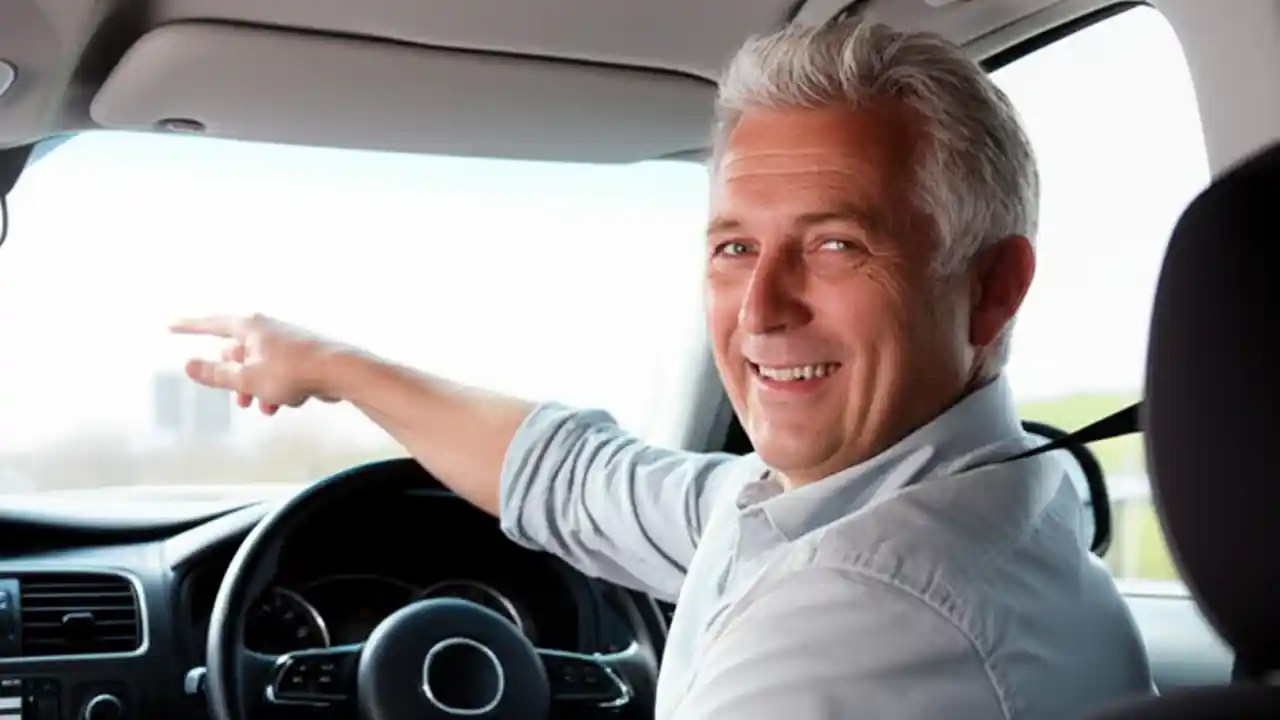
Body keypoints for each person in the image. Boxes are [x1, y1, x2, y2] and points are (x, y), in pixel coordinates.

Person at [172, 15, 1153, 720]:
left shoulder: (867, 617)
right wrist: (329, 364)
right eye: (733, 248)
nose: (759, 310)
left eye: (834, 246)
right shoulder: (894, 505)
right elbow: (575, 476)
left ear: (987, 289)